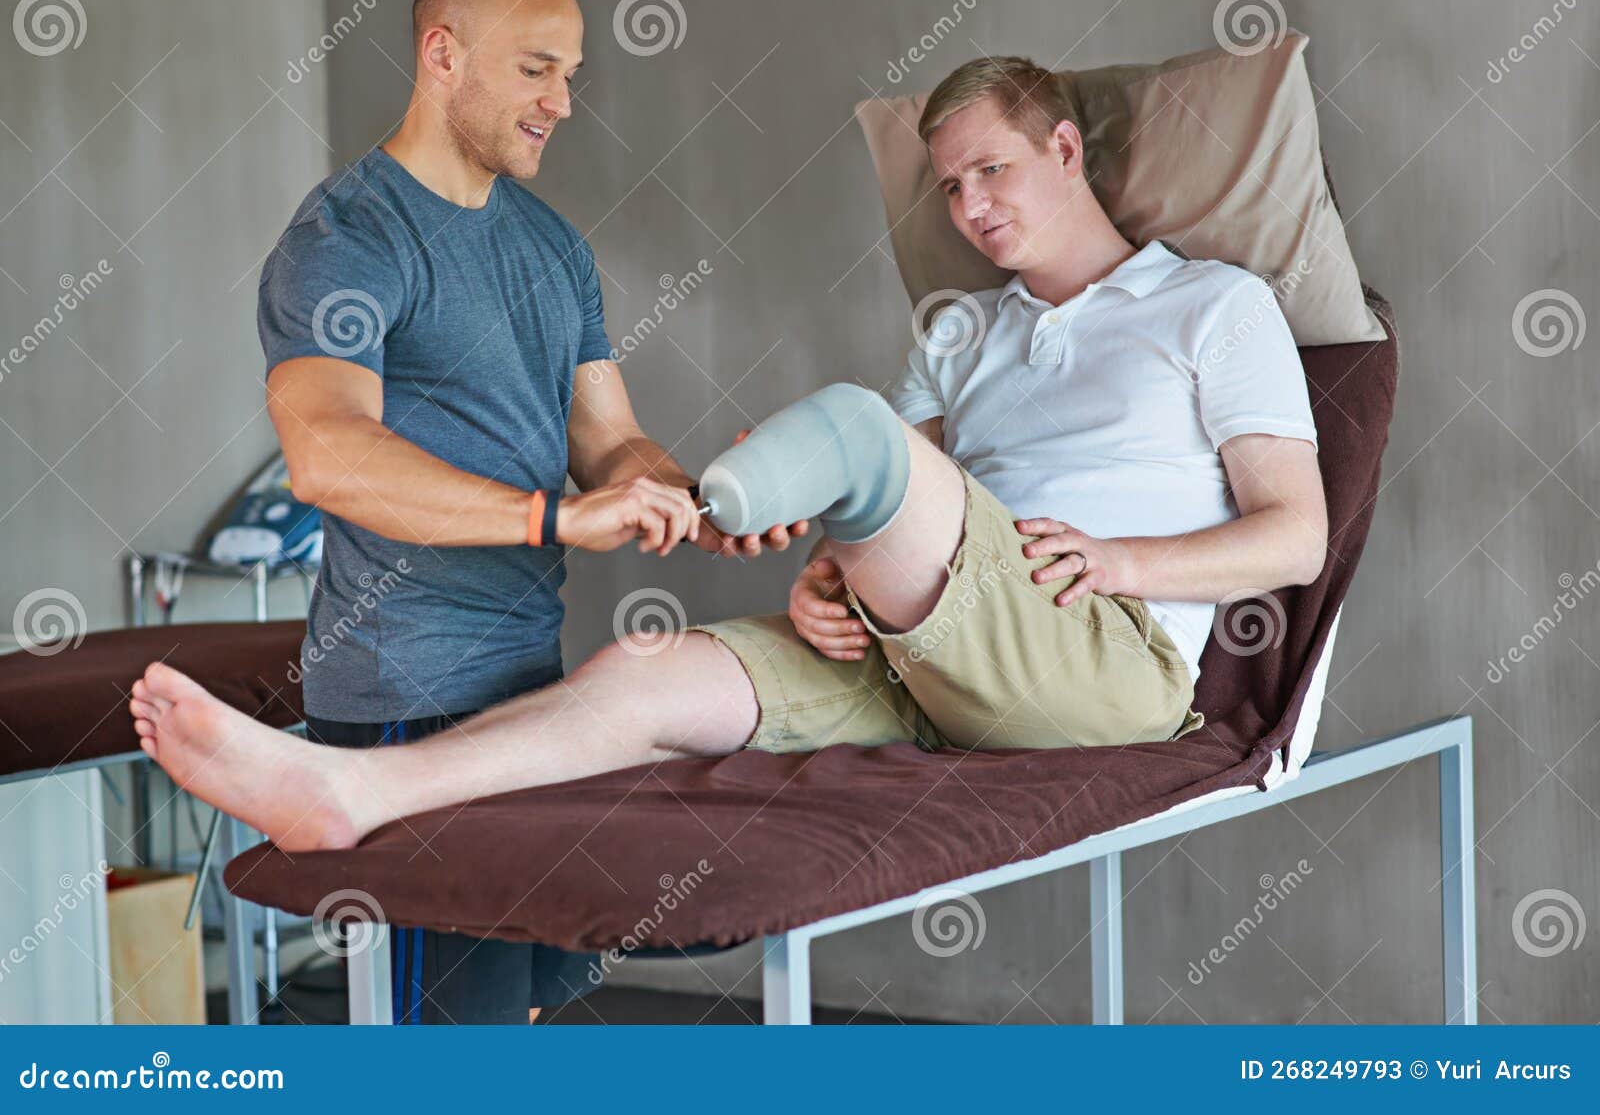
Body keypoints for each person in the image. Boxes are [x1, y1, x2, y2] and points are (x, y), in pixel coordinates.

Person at [133, 53, 1326, 916]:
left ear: (1065, 150)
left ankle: (729, 505)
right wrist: (824, 580)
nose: (969, 209)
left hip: (1102, 661)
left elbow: (1296, 540)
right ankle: (350, 790)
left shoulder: (1212, 308)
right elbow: (905, 507)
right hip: (928, 656)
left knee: (854, 430)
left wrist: (1126, 562)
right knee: (649, 669)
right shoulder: (962, 330)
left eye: (993, 172)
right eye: (950, 187)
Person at [246, 0, 803, 1025]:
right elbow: (326, 450)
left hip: (532, 695)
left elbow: (611, 445)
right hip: (404, 703)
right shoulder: (346, 239)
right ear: (442, 55)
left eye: (572, 75)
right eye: (537, 70)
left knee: (526, 1013)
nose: (562, 101)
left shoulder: (550, 246)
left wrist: (700, 500)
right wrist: (553, 516)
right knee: (453, 1044)